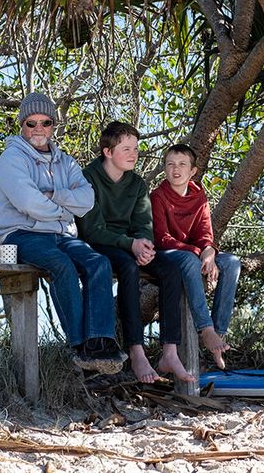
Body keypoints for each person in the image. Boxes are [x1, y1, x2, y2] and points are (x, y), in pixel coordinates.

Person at [0, 92, 126, 373]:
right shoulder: (11, 159)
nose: (38, 129)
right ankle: (79, 345)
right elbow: (28, 203)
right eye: (31, 123)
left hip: (63, 235)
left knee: (99, 263)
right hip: (21, 234)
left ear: (54, 125)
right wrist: (65, 208)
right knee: (61, 265)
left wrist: (51, 195)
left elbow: (87, 200)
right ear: (22, 124)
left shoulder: (66, 162)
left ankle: (99, 341)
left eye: (46, 122)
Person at [77, 122, 194, 384]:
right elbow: (91, 229)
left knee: (170, 270)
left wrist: (144, 245)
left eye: (136, 149)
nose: (134, 154)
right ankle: (136, 350)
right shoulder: (89, 178)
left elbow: (143, 223)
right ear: (108, 152)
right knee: (128, 268)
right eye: (126, 149)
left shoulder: (137, 183)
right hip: (99, 245)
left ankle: (169, 352)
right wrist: (130, 246)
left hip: (131, 245)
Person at [151, 143, 241, 369]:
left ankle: (218, 335)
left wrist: (209, 251)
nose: (176, 169)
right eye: (170, 164)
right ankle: (206, 329)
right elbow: (161, 238)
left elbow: (205, 234)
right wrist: (199, 252)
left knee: (231, 263)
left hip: (194, 253)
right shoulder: (158, 196)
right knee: (190, 259)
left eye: (182, 164)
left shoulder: (199, 197)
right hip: (168, 255)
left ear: (193, 171)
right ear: (164, 169)